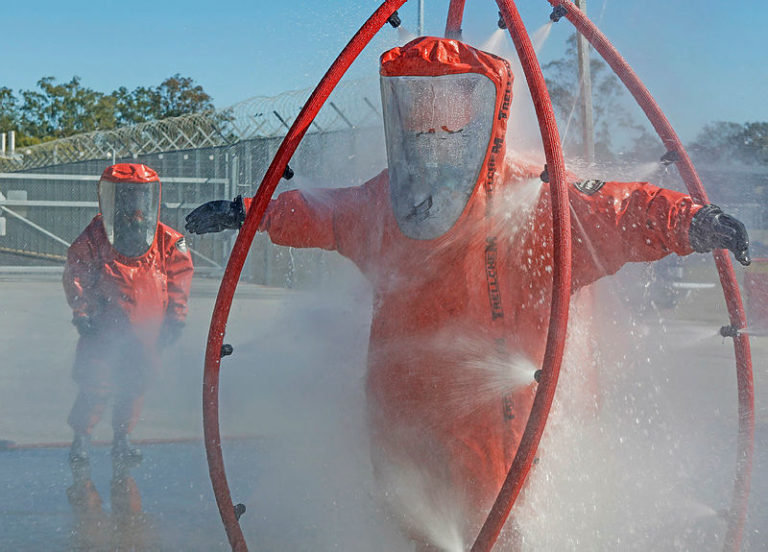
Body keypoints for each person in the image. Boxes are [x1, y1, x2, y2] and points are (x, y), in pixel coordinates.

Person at [185, 37, 750, 550]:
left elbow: (616, 211)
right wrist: (248, 212)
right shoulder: (387, 201)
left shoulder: (529, 199)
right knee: (418, 527)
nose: (433, 144)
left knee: (499, 529)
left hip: (493, 421)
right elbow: (326, 214)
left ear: (479, 124)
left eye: (446, 130)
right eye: (421, 129)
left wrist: (691, 221)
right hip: (400, 411)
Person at [64, 163, 194, 465]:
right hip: (102, 326)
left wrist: (176, 317)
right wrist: (82, 312)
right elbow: (77, 273)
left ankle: (122, 438)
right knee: (96, 383)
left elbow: (180, 278)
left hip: (148, 328)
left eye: (139, 197)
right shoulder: (95, 236)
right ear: (112, 197)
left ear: (151, 198)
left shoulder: (168, 240)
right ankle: (81, 439)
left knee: (135, 383)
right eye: (125, 196)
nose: (133, 205)